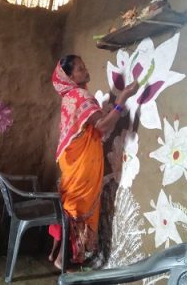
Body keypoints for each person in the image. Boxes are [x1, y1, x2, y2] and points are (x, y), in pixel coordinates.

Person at [48, 55, 139, 270]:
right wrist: (122, 98)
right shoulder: (81, 96)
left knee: (68, 204)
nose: (85, 71)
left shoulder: (70, 96)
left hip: (71, 160)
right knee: (77, 208)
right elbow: (103, 127)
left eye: (84, 66)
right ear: (70, 77)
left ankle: (54, 253)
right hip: (82, 163)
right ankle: (63, 259)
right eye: (80, 69)